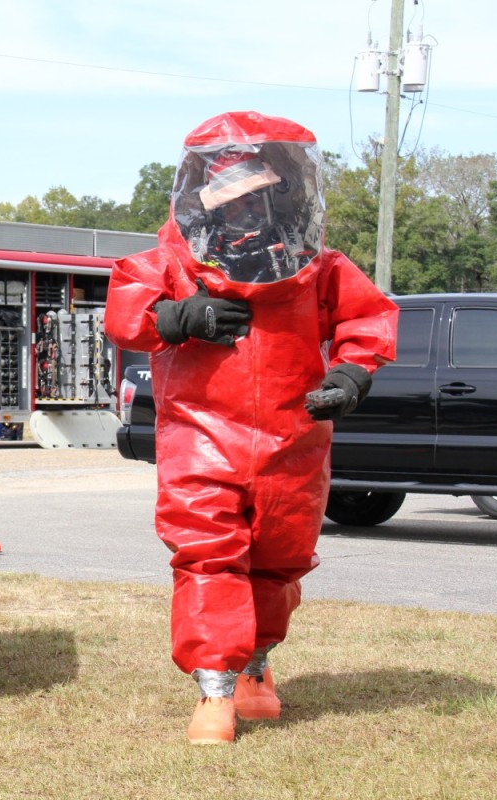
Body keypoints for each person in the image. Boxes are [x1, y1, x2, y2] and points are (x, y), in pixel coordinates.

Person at [103, 111, 398, 745]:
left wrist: (350, 377)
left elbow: (365, 320)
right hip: (201, 435)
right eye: (233, 196)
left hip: (295, 436)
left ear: (279, 190)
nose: (246, 209)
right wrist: (181, 316)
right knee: (209, 557)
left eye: (257, 193)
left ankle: (255, 669)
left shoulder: (317, 266)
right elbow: (127, 313)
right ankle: (214, 690)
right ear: (206, 194)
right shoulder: (173, 259)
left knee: (279, 559)